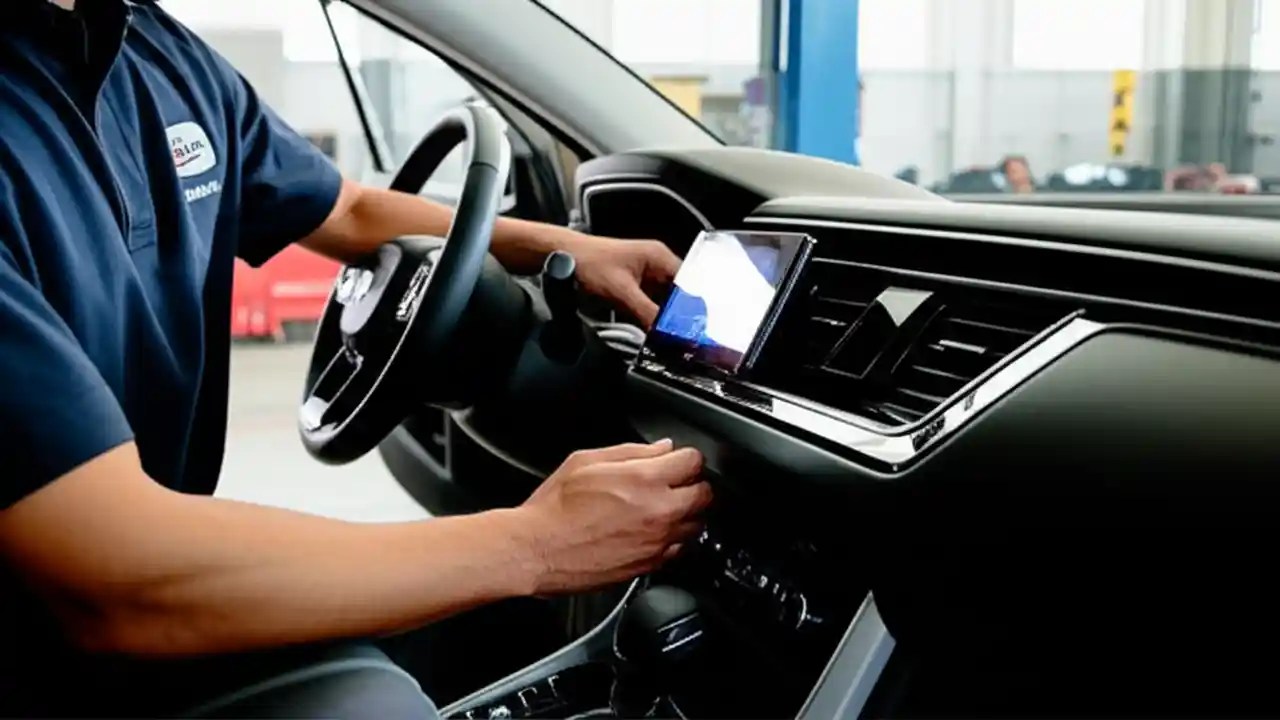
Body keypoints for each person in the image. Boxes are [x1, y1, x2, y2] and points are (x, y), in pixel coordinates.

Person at [0, 1, 712, 717]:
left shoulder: (156, 51)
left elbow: (347, 213)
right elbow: (117, 577)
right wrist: (538, 544)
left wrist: (567, 247)